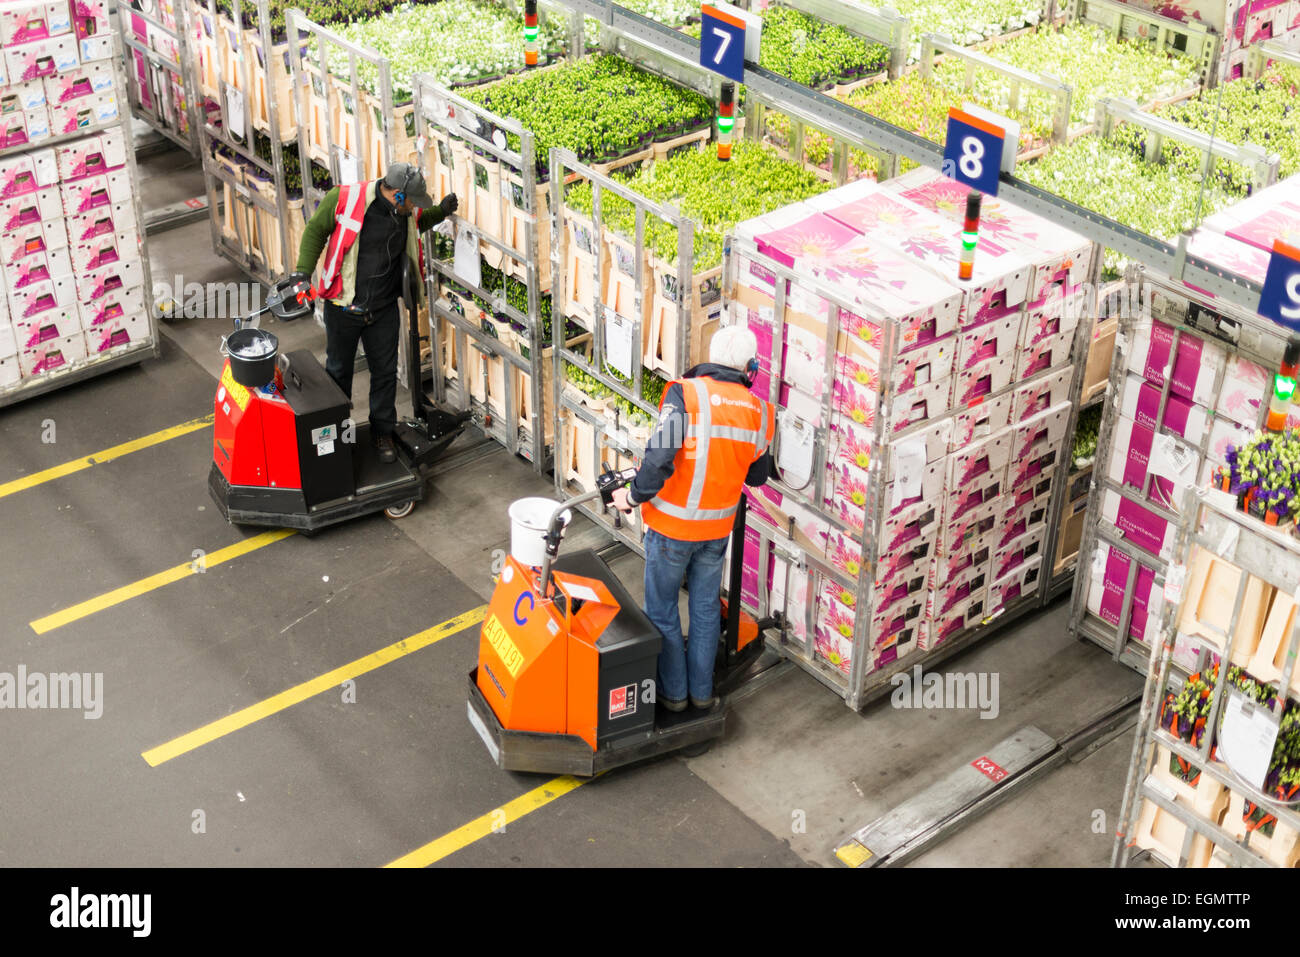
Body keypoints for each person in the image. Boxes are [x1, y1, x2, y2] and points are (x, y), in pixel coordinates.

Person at [610, 326, 776, 712]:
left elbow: (659, 458)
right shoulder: (760, 412)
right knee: (704, 612)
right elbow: (757, 476)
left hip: (671, 530)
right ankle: (702, 696)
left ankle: (674, 696)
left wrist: (631, 496)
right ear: (750, 367)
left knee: (663, 610)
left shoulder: (685, 393)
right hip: (717, 532)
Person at [293, 163, 458, 464]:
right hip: (344, 307)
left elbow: (417, 223)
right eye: (412, 201)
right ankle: (338, 436)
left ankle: (382, 432)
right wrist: (302, 273)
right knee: (338, 373)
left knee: (385, 373)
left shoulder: (404, 213)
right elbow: (315, 231)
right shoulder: (344, 199)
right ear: (397, 195)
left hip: (382, 309)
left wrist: (442, 211)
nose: (415, 207)